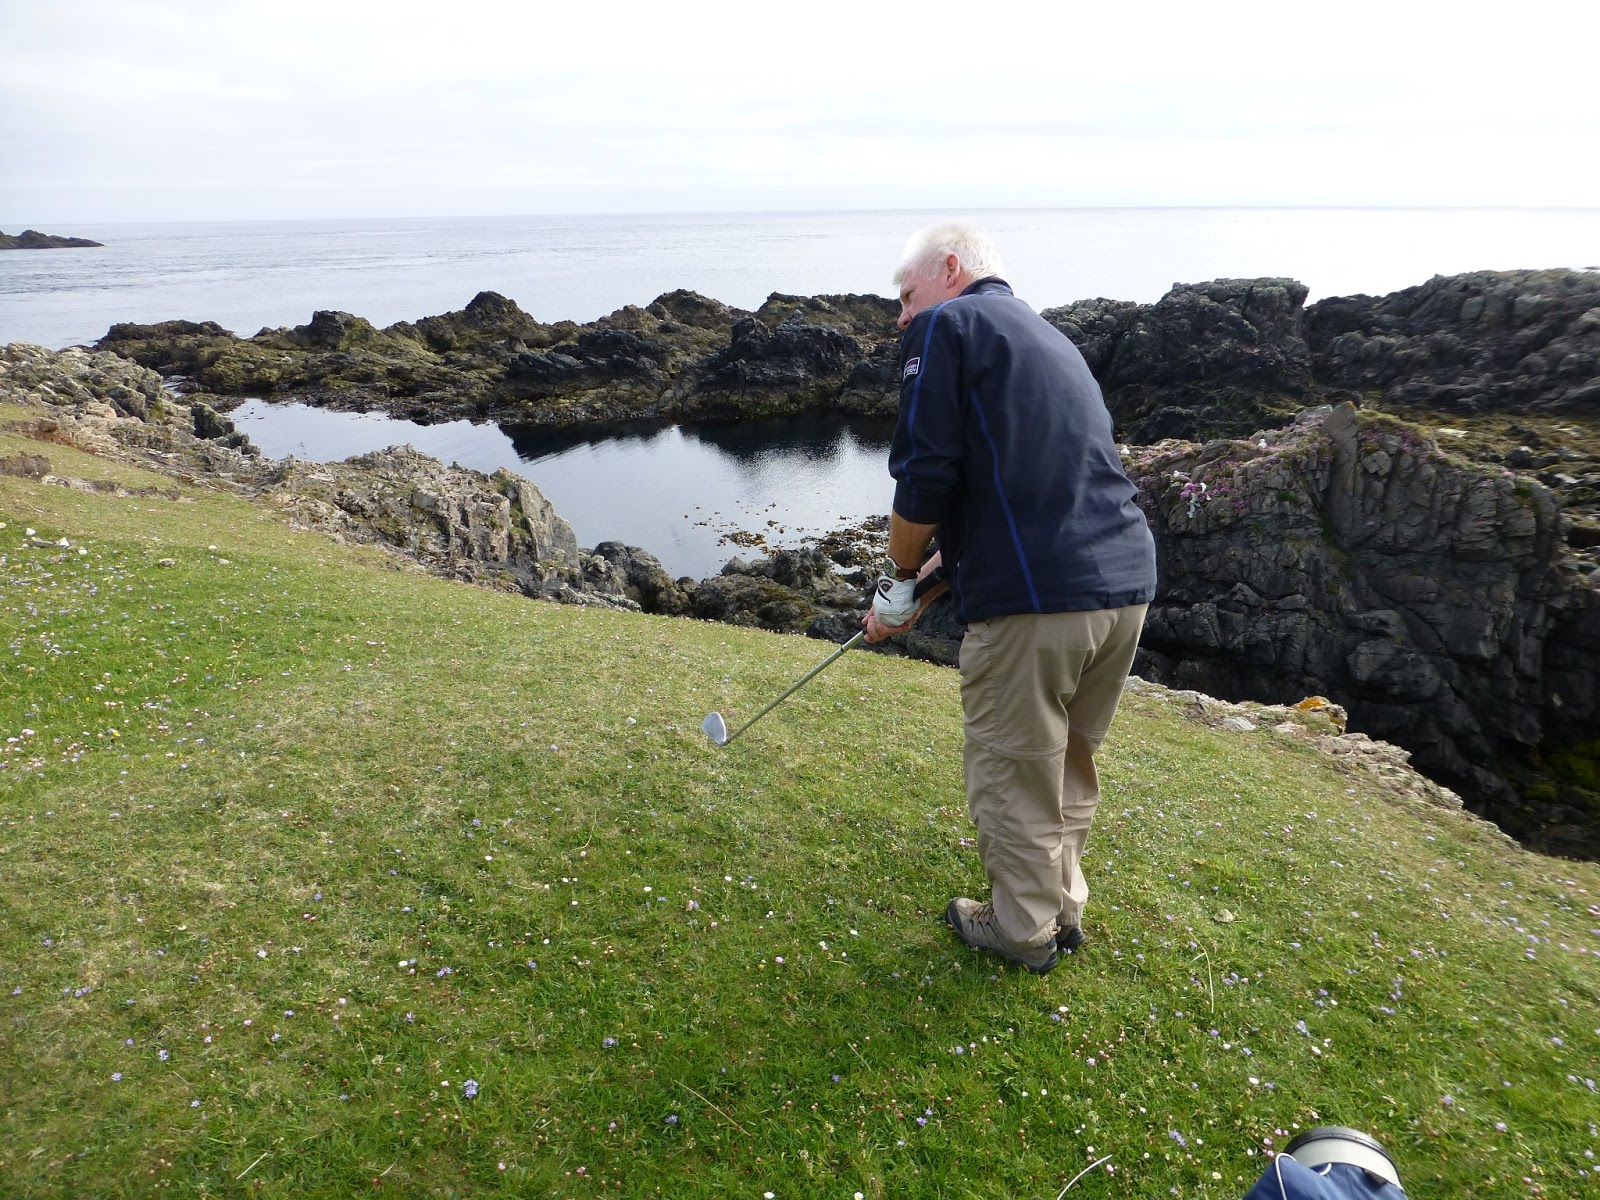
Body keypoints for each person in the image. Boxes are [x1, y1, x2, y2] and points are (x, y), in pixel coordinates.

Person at [864, 222, 1157, 976]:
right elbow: (1011, 495)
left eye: (905, 296)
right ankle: (1063, 905)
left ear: (951, 269)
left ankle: (1022, 931)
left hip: (1038, 603)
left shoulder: (948, 324)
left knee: (1012, 765)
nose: (901, 317)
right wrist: (923, 594)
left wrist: (895, 580)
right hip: (1124, 587)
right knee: (1067, 762)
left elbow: (926, 478)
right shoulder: (1049, 338)